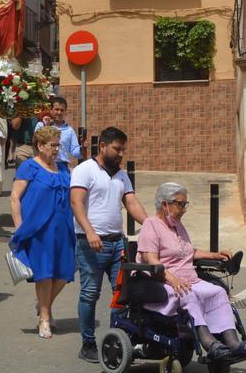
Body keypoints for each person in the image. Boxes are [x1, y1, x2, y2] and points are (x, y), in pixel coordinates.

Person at [137, 182, 246, 361]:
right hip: (161, 282)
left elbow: (188, 251)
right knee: (188, 293)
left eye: (185, 204)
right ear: (165, 204)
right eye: (180, 204)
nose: (183, 209)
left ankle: (233, 343)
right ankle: (210, 344)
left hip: (189, 279)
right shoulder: (151, 225)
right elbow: (150, 259)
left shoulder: (177, 226)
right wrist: (172, 279)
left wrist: (215, 255)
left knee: (218, 292)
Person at [70, 127, 148, 363]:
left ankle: (117, 341)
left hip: (117, 245)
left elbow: (132, 203)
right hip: (91, 244)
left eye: (123, 149)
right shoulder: (85, 170)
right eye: (117, 149)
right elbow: (76, 203)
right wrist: (90, 231)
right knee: (90, 294)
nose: (121, 154)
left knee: (123, 294)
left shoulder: (121, 175)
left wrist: (153, 225)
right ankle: (88, 344)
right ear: (102, 146)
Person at [9, 126, 75, 339]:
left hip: (64, 228)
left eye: (58, 145)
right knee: (45, 274)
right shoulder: (29, 167)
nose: (56, 149)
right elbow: (14, 198)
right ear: (39, 146)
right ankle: (44, 318)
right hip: (39, 229)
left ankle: (43, 305)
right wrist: (19, 227)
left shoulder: (65, 168)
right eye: (52, 145)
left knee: (64, 273)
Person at [34, 97, 84, 168]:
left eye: (62, 110)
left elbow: (75, 152)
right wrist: (46, 127)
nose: (59, 112)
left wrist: (82, 148)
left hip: (62, 166)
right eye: (56, 109)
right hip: (43, 165)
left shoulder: (69, 130)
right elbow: (36, 144)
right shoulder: (41, 125)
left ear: (65, 111)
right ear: (51, 110)